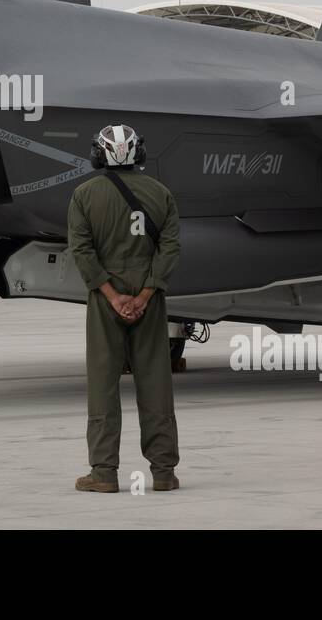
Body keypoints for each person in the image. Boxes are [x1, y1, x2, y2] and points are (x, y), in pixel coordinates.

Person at [68, 123, 182, 493]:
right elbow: (170, 248)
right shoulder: (161, 193)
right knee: (156, 383)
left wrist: (113, 295)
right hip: (150, 295)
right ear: (139, 153)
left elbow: (82, 251)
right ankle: (163, 472)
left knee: (103, 383)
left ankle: (103, 472)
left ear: (100, 154)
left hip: (105, 297)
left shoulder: (84, 195)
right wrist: (146, 293)